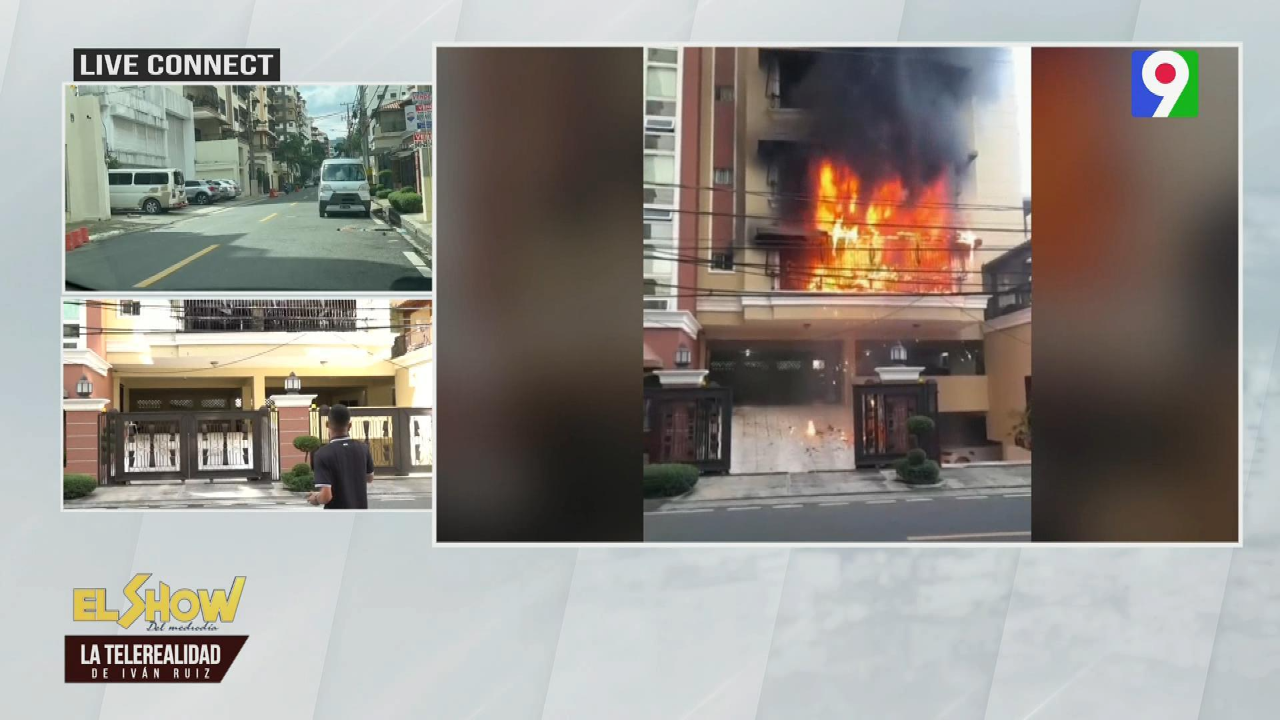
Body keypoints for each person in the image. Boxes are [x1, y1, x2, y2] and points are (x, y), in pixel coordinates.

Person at [306, 404, 374, 509]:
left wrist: (316, 498)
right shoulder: (363, 448)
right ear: (350, 425)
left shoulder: (322, 454)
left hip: (336, 518)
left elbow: (326, 496)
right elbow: (369, 478)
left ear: (327, 424)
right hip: (360, 515)